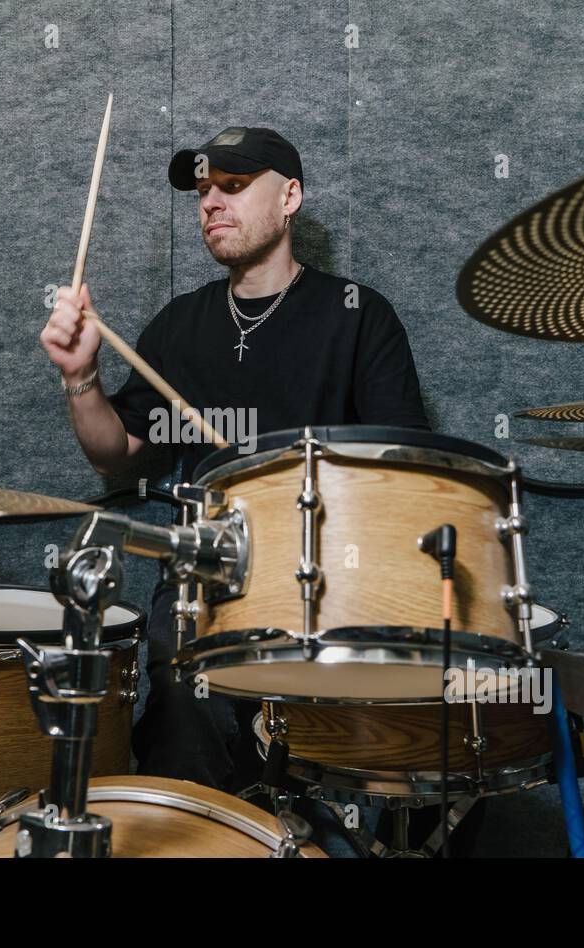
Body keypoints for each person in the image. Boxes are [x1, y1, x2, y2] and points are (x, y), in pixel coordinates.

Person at [40, 125, 432, 819]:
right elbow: (113, 451)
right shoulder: (179, 325)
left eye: (233, 186)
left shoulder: (357, 315)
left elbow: (405, 472)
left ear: (290, 198)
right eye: (202, 191)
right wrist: (81, 376)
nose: (210, 203)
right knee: (181, 695)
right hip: (209, 578)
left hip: (333, 577)